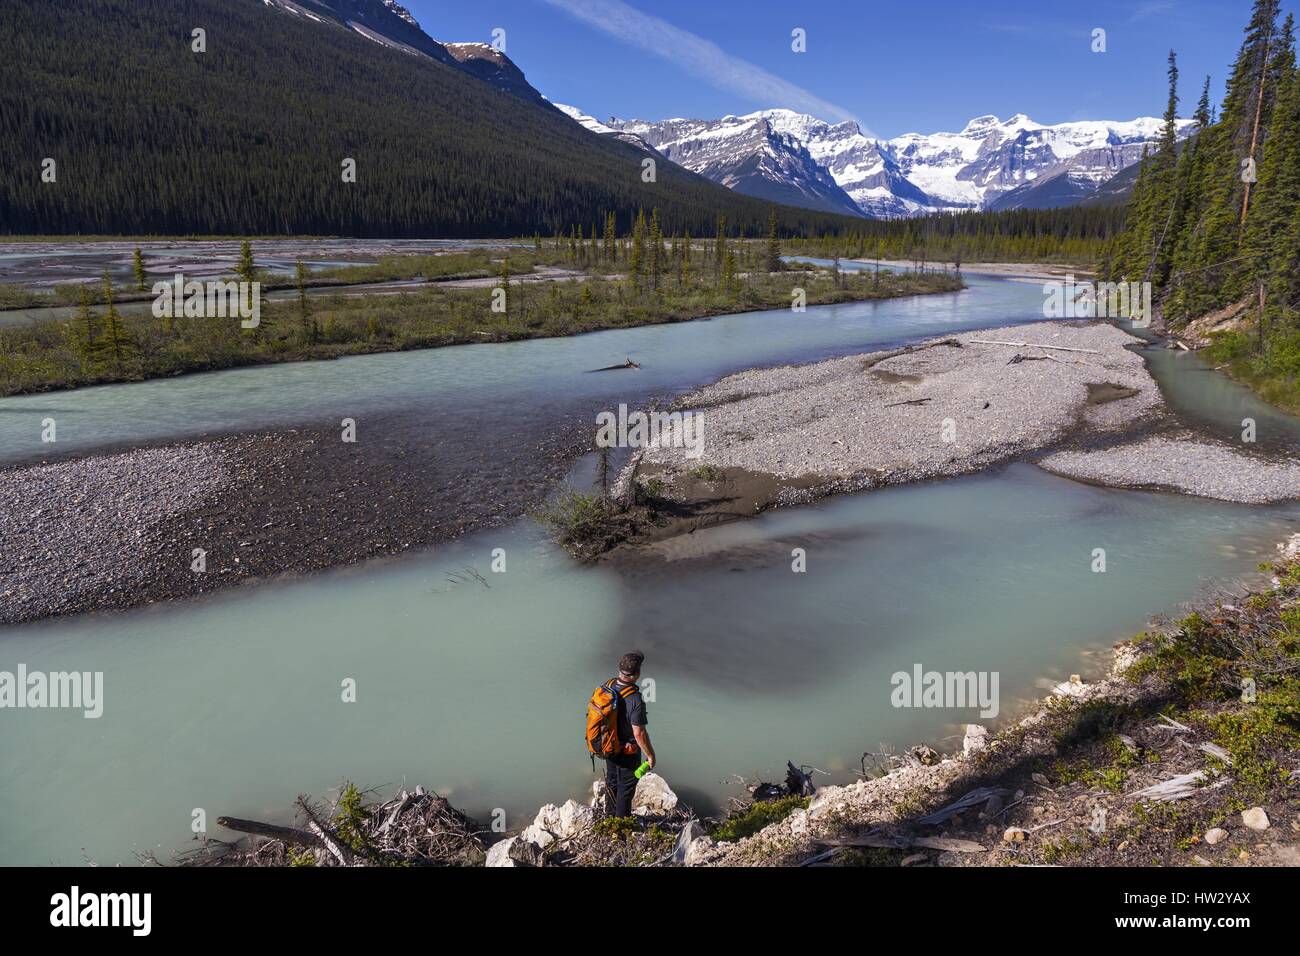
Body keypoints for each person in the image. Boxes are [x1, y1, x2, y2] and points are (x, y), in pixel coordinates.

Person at [606, 650, 655, 818]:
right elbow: (639, 733)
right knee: (625, 790)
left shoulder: (608, 686)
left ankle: (608, 820)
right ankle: (619, 830)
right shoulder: (635, 699)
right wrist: (650, 755)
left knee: (612, 783)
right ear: (637, 674)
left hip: (609, 745)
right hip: (628, 751)